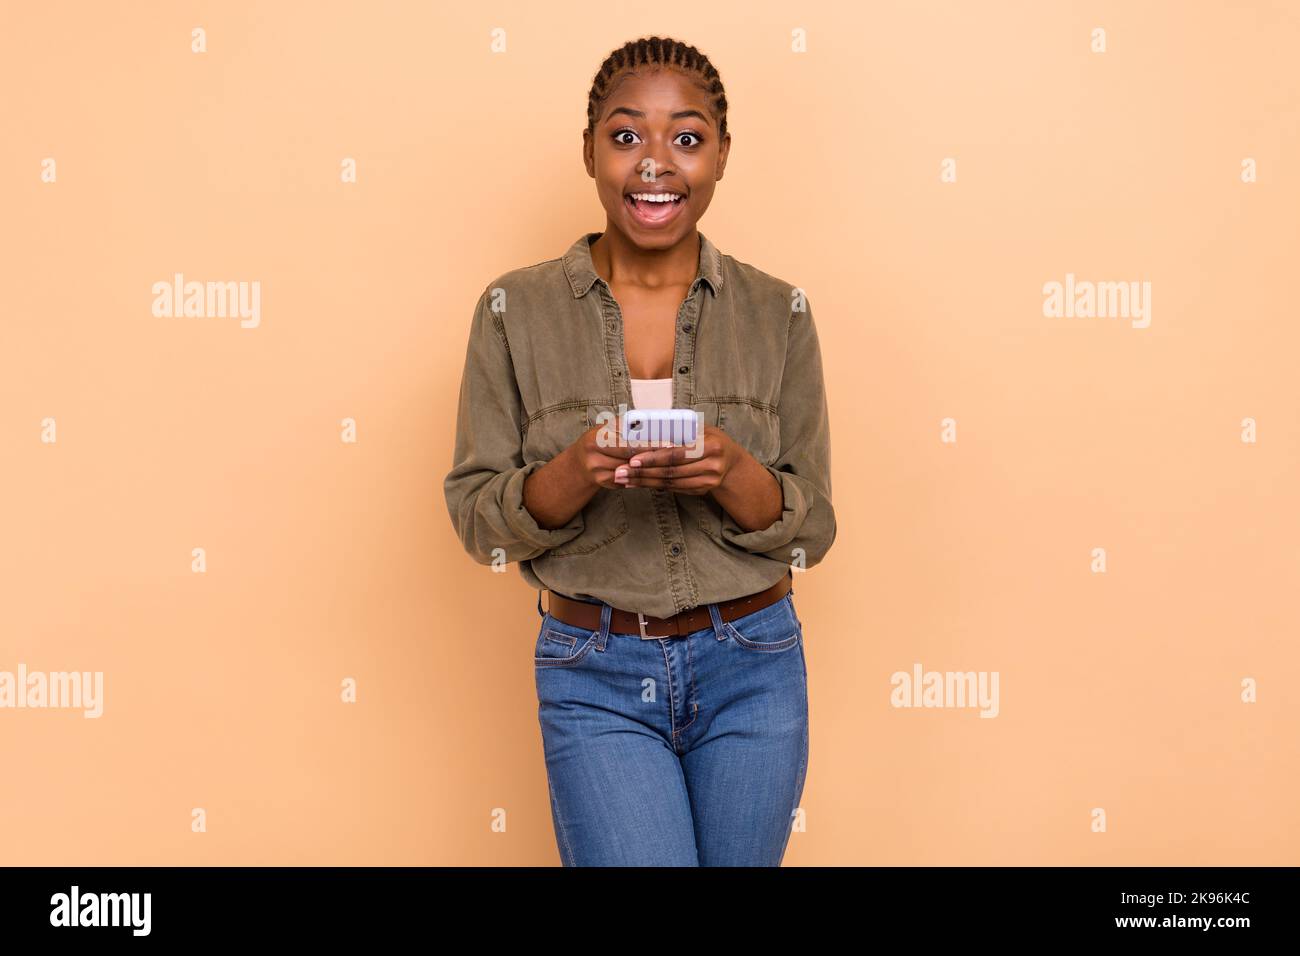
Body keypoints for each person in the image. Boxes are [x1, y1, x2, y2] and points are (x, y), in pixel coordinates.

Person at [444, 35, 836, 866]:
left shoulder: (779, 313)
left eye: (686, 139)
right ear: (588, 148)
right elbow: (481, 526)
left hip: (755, 665)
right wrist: (576, 470)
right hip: (594, 671)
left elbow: (814, 530)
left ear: (722, 155)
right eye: (625, 136)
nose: (654, 164)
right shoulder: (514, 310)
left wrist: (732, 473)